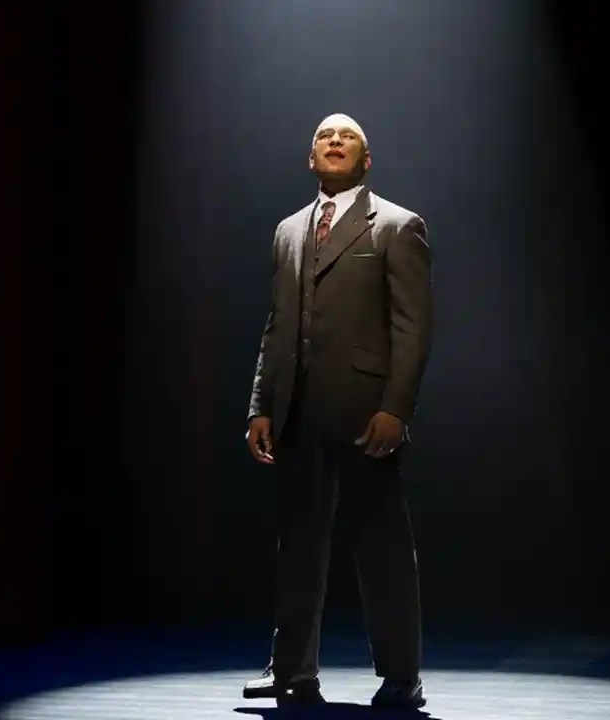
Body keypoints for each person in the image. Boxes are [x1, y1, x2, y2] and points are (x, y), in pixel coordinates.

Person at [241, 113, 433, 709]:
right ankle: (291, 669)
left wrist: (396, 408)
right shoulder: (288, 230)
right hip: (297, 412)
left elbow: (413, 327)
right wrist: (260, 405)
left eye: (347, 136)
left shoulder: (397, 226)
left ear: (366, 159)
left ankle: (402, 674)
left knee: (381, 546)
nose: (334, 142)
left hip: (364, 413)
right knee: (298, 544)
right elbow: (277, 327)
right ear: (311, 158)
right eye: (324, 136)